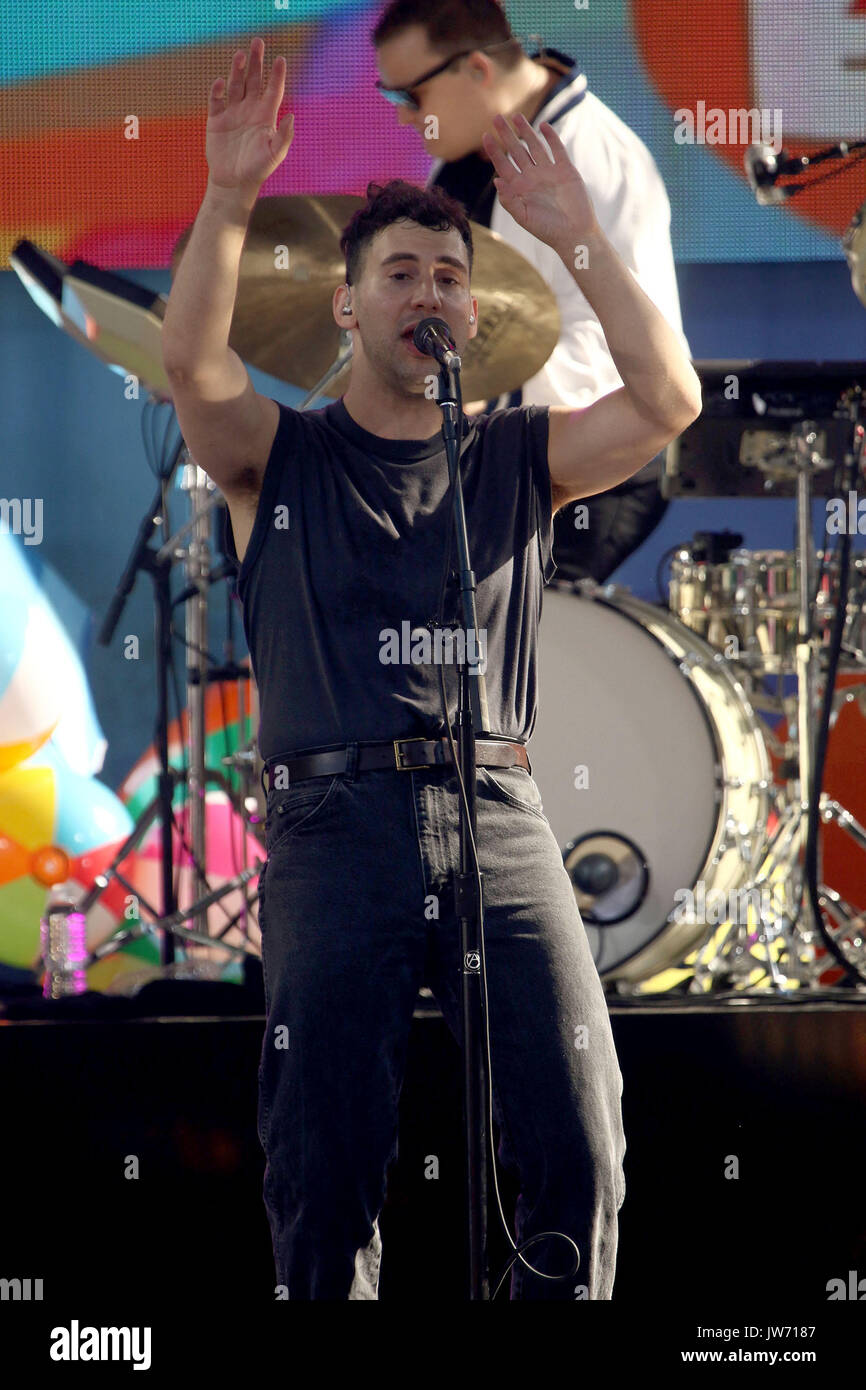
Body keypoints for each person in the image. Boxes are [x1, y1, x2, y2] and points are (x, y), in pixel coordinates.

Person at [161, 37, 700, 1299]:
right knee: (326, 1156)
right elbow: (191, 367)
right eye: (398, 271)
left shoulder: (518, 451)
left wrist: (574, 241)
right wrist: (230, 193)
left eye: (449, 276)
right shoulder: (279, 458)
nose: (428, 290)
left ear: (474, 313)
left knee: (579, 1133)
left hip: (500, 812)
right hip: (333, 818)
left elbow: (668, 397)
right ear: (349, 306)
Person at [373, 0, 691, 582]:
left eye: (409, 97)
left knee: (523, 658)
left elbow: (611, 357)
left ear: (476, 68)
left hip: (591, 473)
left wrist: (470, 402)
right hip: (507, 453)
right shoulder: (470, 154)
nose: (403, 119)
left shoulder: (594, 156)